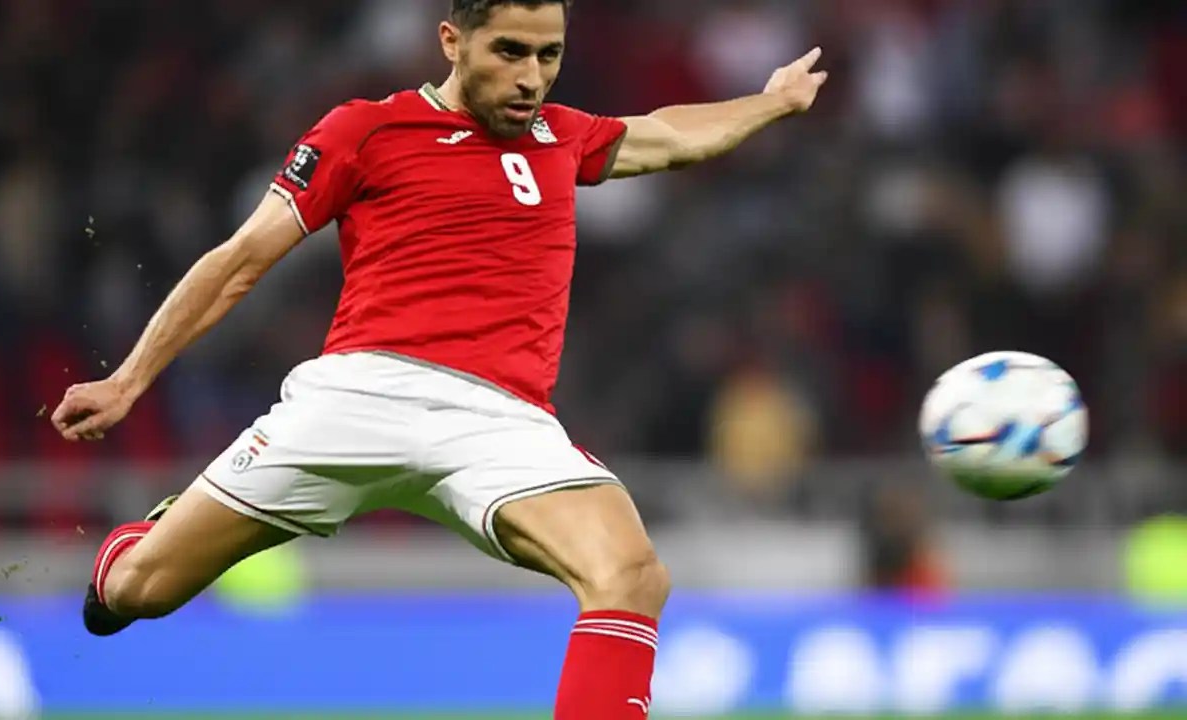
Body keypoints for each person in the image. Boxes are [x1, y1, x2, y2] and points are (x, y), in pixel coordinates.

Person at [51, 1, 827, 716]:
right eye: (511, 51)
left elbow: (670, 134)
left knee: (631, 574)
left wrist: (776, 102)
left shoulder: (562, 135)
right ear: (452, 40)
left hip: (502, 422)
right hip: (359, 397)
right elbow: (243, 257)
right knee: (137, 590)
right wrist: (128, 379)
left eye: (549, 55)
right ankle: (135, 548)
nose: (531, 77)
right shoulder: (365, 130)